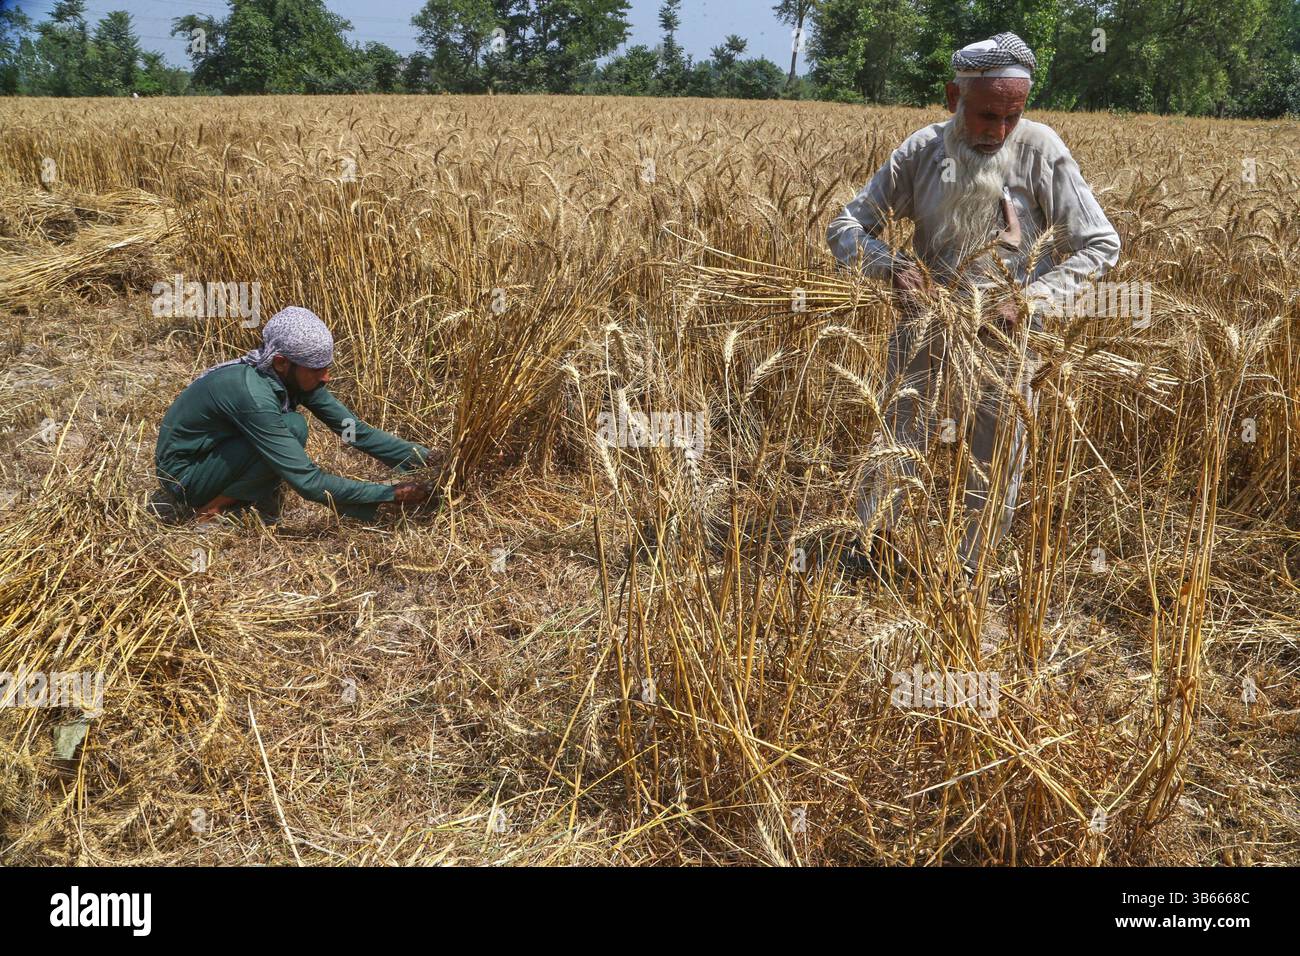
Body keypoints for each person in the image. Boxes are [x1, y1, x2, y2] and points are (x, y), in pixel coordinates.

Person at [826, 31, 1121, 580]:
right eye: (987, 116)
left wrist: (1030, 299)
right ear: (952, 97)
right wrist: (891, 268)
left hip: (1005, 338)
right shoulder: (920, 151)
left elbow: (1101, 243)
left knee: (997, 451)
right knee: (899, 431)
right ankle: (871, 549)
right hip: (925, 323)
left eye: (1012, 116)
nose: (998, 132)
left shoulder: (1041, 150)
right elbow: (844, 226)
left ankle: (969, 569)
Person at [149, 306, 434, 525]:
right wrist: (389, 495)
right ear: (282, 362)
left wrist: (428, 459)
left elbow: (351, 431)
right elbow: (307, 482)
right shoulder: (253, 396)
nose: (327, 377)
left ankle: (239, 490)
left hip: (216, 453)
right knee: (292, 428)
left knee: (292, 427)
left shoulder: (291, 377)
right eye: (317, 369)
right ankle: (212, 509)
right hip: (185, 477)